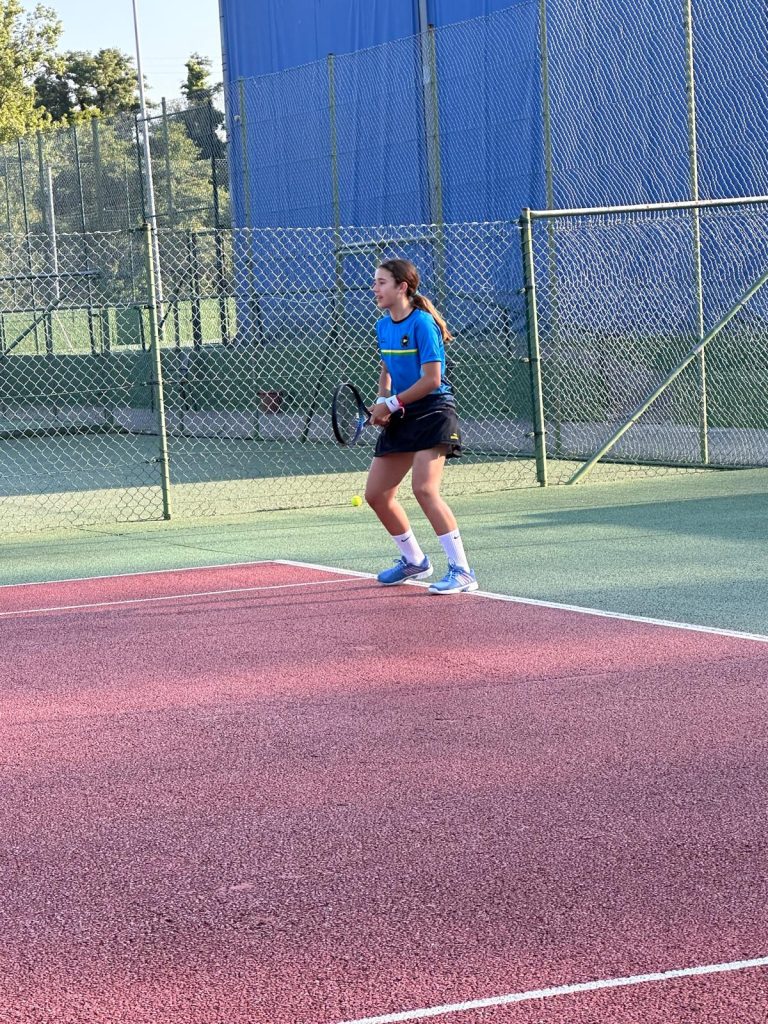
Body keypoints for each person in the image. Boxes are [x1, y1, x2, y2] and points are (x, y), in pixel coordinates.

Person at [364, 258, 477, 595]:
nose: (374, 289)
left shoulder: (423, 324)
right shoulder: (383, 326)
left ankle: (462, 571)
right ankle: (414, 561)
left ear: (402, 287)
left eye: (381, 282)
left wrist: (390, 404)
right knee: (377, 495)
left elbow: (432, 380)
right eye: (375, 282)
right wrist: (382, 400)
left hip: (433, 411)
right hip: (403, 413)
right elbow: (386, 368)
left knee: (424, 489)